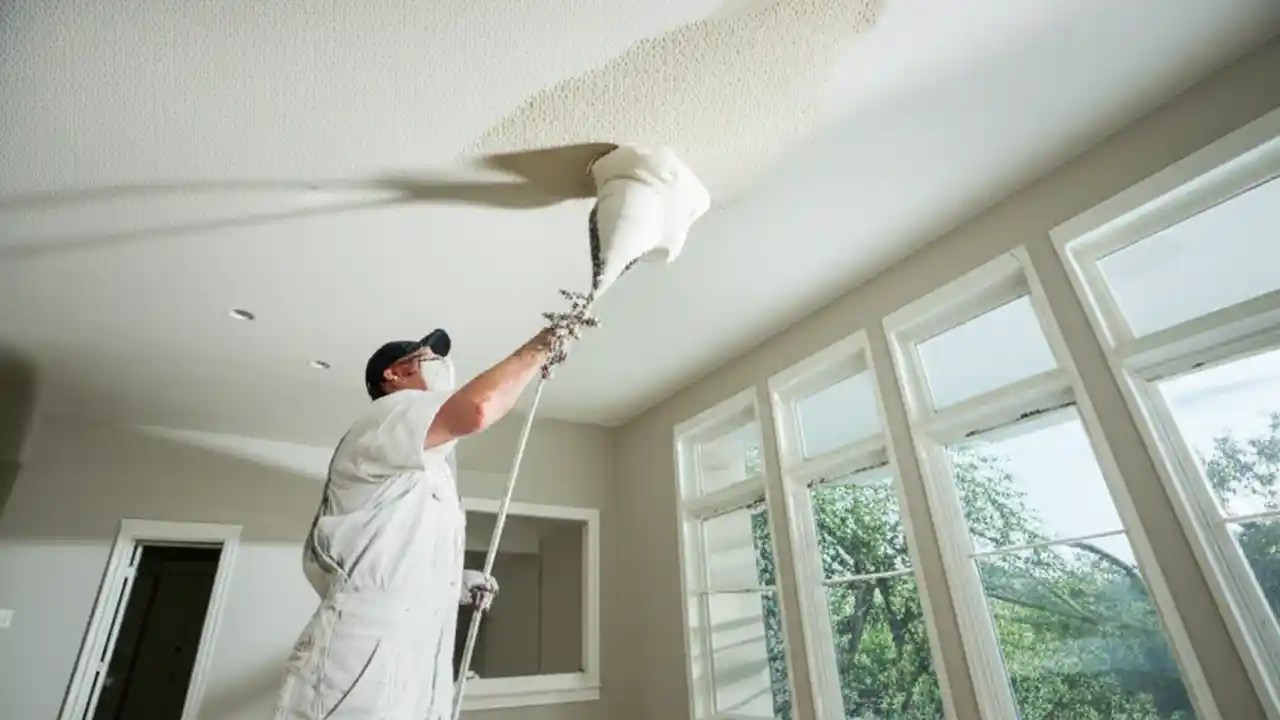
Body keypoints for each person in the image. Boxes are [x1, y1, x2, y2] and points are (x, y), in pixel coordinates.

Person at [273, 324, 569, 720]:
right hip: (360, 664)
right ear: (394, 374)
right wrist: (539, 347)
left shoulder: (431, 468)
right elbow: (478, 408)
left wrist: (451, 583)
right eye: (427, 358)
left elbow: (393, 547)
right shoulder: (387, 413)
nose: (440, 363)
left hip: (418, 668)